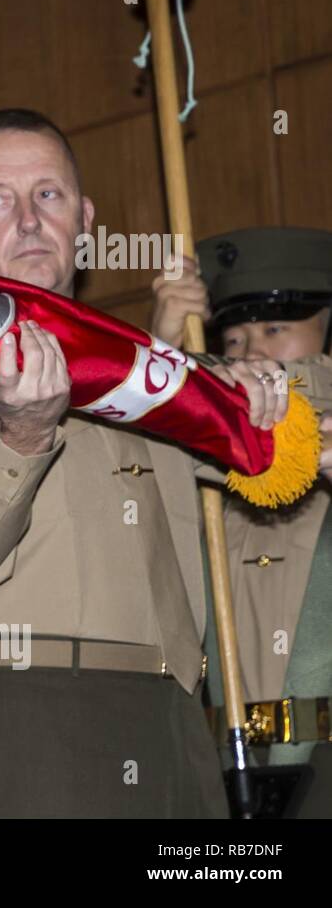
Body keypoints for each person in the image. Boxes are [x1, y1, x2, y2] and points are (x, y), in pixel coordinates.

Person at [0, 108, 291, 818]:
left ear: (85, 219)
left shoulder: (148, 373)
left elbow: (279, 425)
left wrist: (272, 401)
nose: (28, 220)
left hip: (179, 721)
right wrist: (21, 439)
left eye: (49, 195)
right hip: (31, 719)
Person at [151, 226, 332, 816]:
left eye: (276, 328)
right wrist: (159, 352)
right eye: (233, 337)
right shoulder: (204, 472)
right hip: (219, 775)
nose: (252, 353)